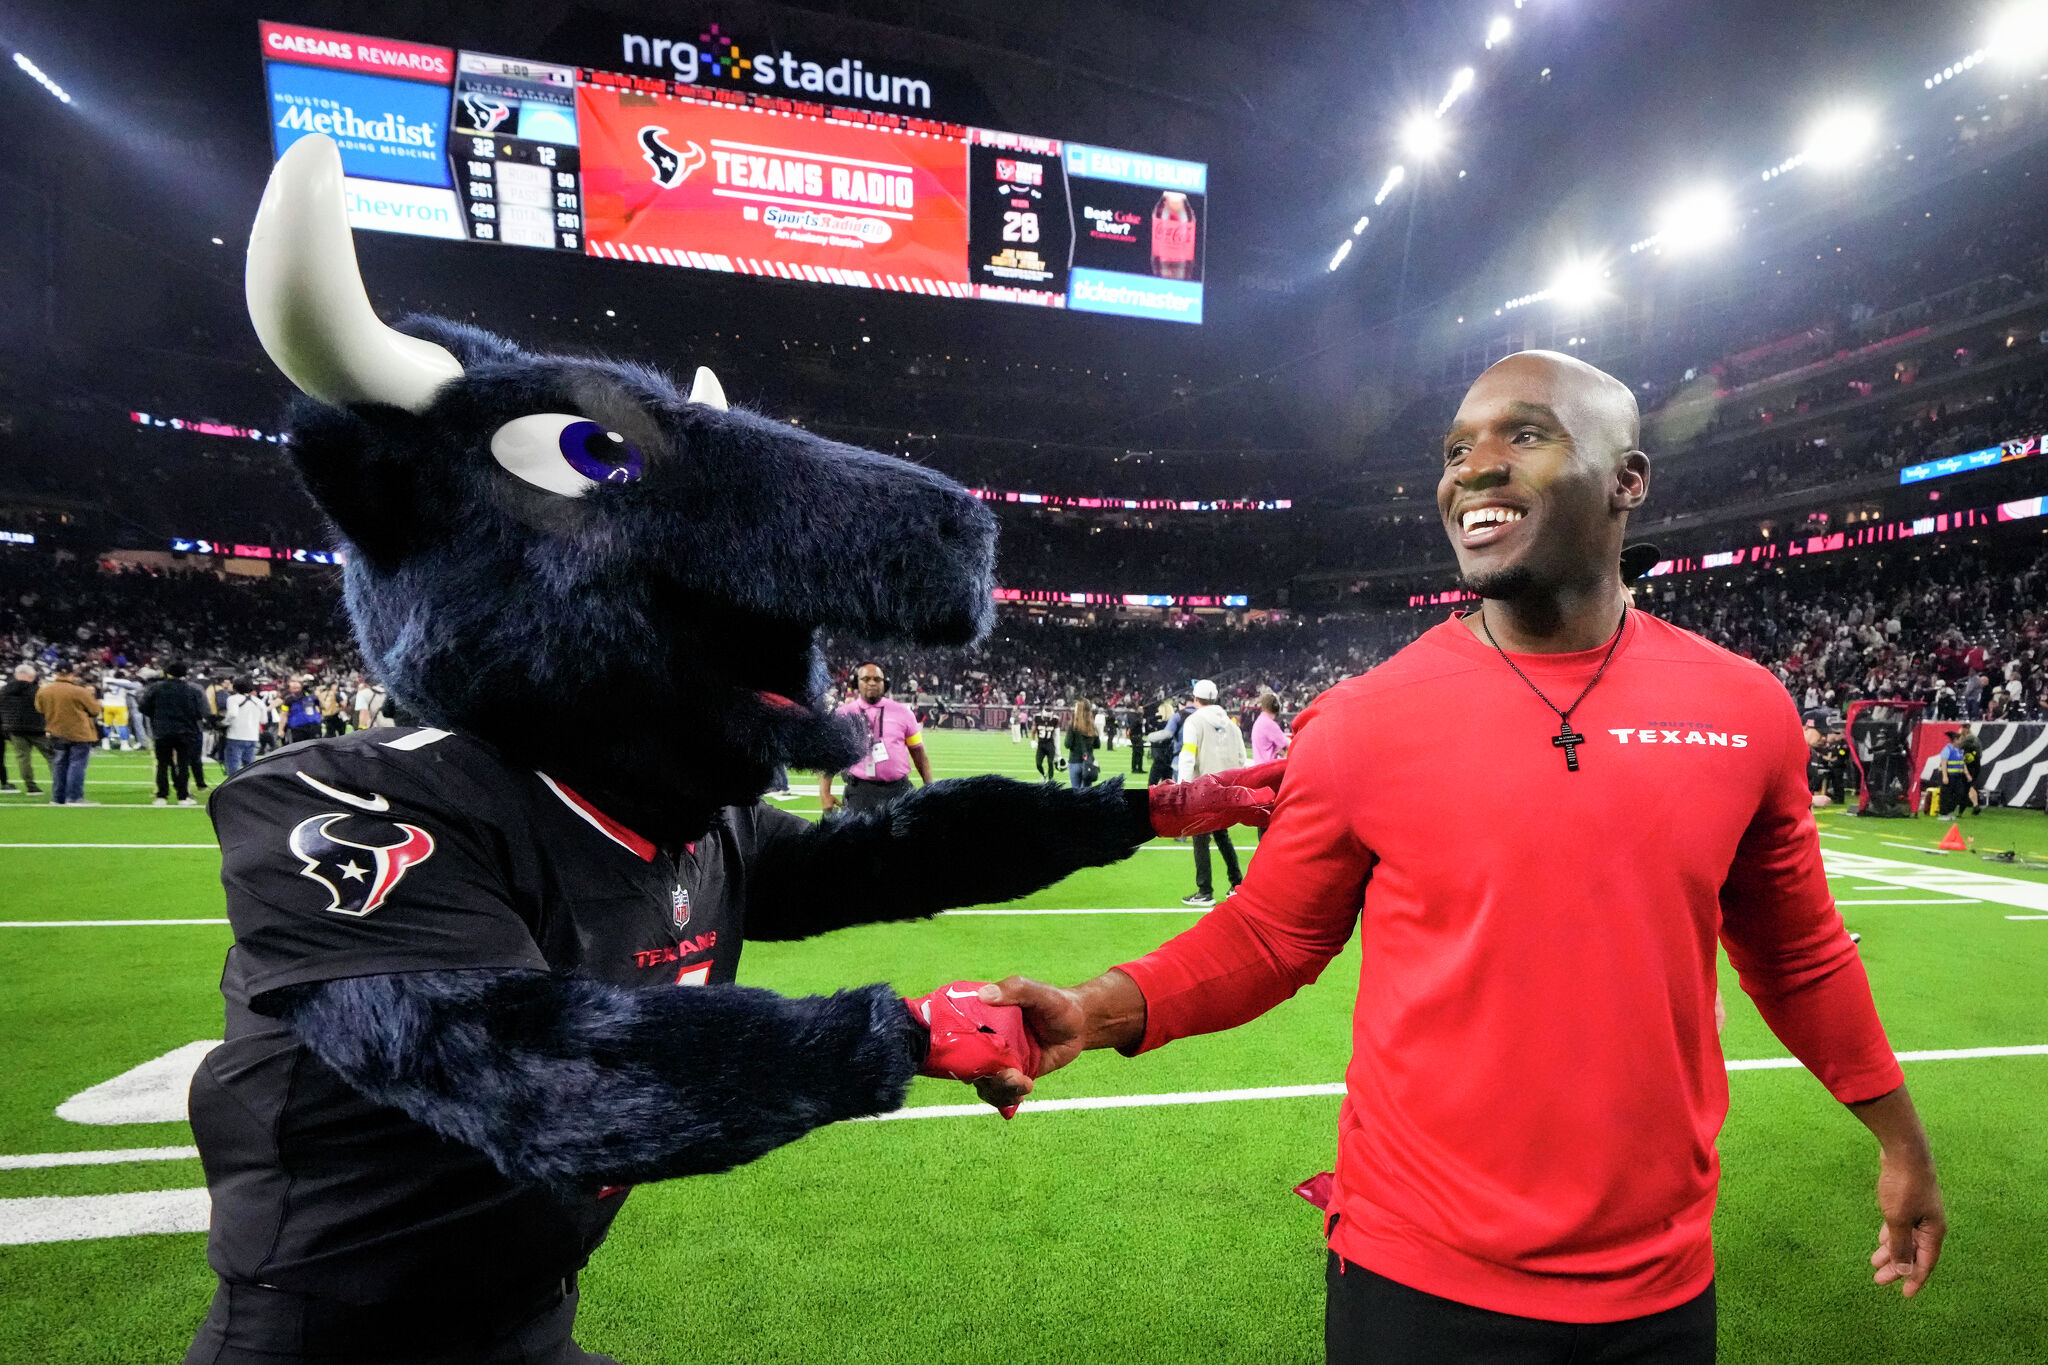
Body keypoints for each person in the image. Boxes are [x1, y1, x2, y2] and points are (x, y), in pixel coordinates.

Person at [975, 351, 1944, 1363]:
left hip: (1660, 1284)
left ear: (1627, 478)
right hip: (1414, 1276)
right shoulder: (1361, 720)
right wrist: (1088, 1012)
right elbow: (1269, 936)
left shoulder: (1743, 709)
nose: (1472, 467)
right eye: (1453, 451)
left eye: (1522, 434)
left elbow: (1797, 956)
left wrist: (1900, 1142)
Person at [819, 663, 931, 817]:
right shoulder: (842, 715)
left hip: (899, 791)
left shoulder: (904, 713)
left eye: (877, 679)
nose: (872, 683)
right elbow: (830, 757)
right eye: (866, 679)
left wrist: (930, 788)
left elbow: (918, 753)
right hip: (860, 793)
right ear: (857, 683)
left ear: (884, 683)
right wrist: (825, 795)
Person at [1176, 679, 1247, 906]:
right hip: (1226, 787)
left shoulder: (1194, 722)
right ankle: (1237, 884)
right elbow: (1241, 759)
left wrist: (1182, 789)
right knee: (1222, 835)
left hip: (1204, 788)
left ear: (1196, 699)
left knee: (1200, 838)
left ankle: (1205, 891)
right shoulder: (1231, 724)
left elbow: (1187, 756)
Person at [140, 661, 210, 807]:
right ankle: (183, 796)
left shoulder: (156, 688)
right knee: (183, 765)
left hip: (162, 731)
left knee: (163, 764)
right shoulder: (193, 690)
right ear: (185, 674)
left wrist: (157, 717)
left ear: (168, 673)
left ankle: (161, 796)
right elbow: (202, 711)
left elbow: (144, 707)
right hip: (186, 731)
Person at [36, 662, 102, 806]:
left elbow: (40, 709)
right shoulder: (79, 691)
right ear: (72, 674)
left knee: (59, 765)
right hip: (79, 733)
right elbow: (95, 710)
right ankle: (74, 797)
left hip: (56, 732)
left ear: (56, 673)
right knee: (76, 765)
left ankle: (57, 798)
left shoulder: (44, 691)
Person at [1, 663, 50, 795]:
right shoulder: (37, 690)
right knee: (52, 756)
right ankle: (61, 784)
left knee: (23, 758)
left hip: (14, 729)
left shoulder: (5, 690)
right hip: (37, 729)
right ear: (31, 676)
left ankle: (31, 787)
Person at [1251, 692, 1290, 840]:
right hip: (1269, 775)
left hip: (1260, 773)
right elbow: (1287, 744)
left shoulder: (1260, 722)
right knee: (1272, 819)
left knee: (1263, 818)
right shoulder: (1268, 724)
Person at [220, 678, 266, 777]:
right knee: (249, 766)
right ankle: (248, 787)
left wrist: (223, 723)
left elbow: (232, 714)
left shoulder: (233, 699)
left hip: (235, 736)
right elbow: (264, 720)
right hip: (252, 737)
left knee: (233, 765)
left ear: (235, 687)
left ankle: (232, 787)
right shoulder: (258, 701)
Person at [1937, 731, 1976, 818]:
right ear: (1955, 740)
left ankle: (1950, 811)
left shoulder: (1960, 751)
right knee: (1947, 795)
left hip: (1957, 776)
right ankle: (1943, 814)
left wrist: (1967, 774)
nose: (1962, 741)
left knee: (1960, 793)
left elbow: (1962, 763)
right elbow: (1943, 763)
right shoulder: (1947, 749)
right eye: (1961, 739)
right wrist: (1945, 776)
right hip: (1949, 775)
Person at [1065, 699, 1101, 789]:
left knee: (1075, 791)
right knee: (1087, 793)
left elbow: (1067, 744)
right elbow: (1097, 745)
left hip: (1074, 761)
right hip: (1089, 762)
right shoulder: (1092, 726)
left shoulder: (1073, 725)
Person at [281, 678, 324, 745]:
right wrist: (281, 729)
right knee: (300, 748)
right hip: (297, 729)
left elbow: (318, 707)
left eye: (297, 684)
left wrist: (318, 719)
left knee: (316, 746)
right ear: (289, 688)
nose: (295, 686)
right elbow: (284, 715)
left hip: (314, 726)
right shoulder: (288, 700)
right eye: (293, 685)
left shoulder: (311, 696)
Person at [1033, 709, 1061, 781]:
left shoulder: (1055, 719)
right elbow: (1033, 730)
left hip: (1050, 744)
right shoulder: (1037, 717)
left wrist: (1058, 749)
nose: (1047, 719)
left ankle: (1050, 780)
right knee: (1038, 764)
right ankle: (1044, 775)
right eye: (1045, 717)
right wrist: (1033, 740)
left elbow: (1057, 735)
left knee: (1050, 763)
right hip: (1041, 744)